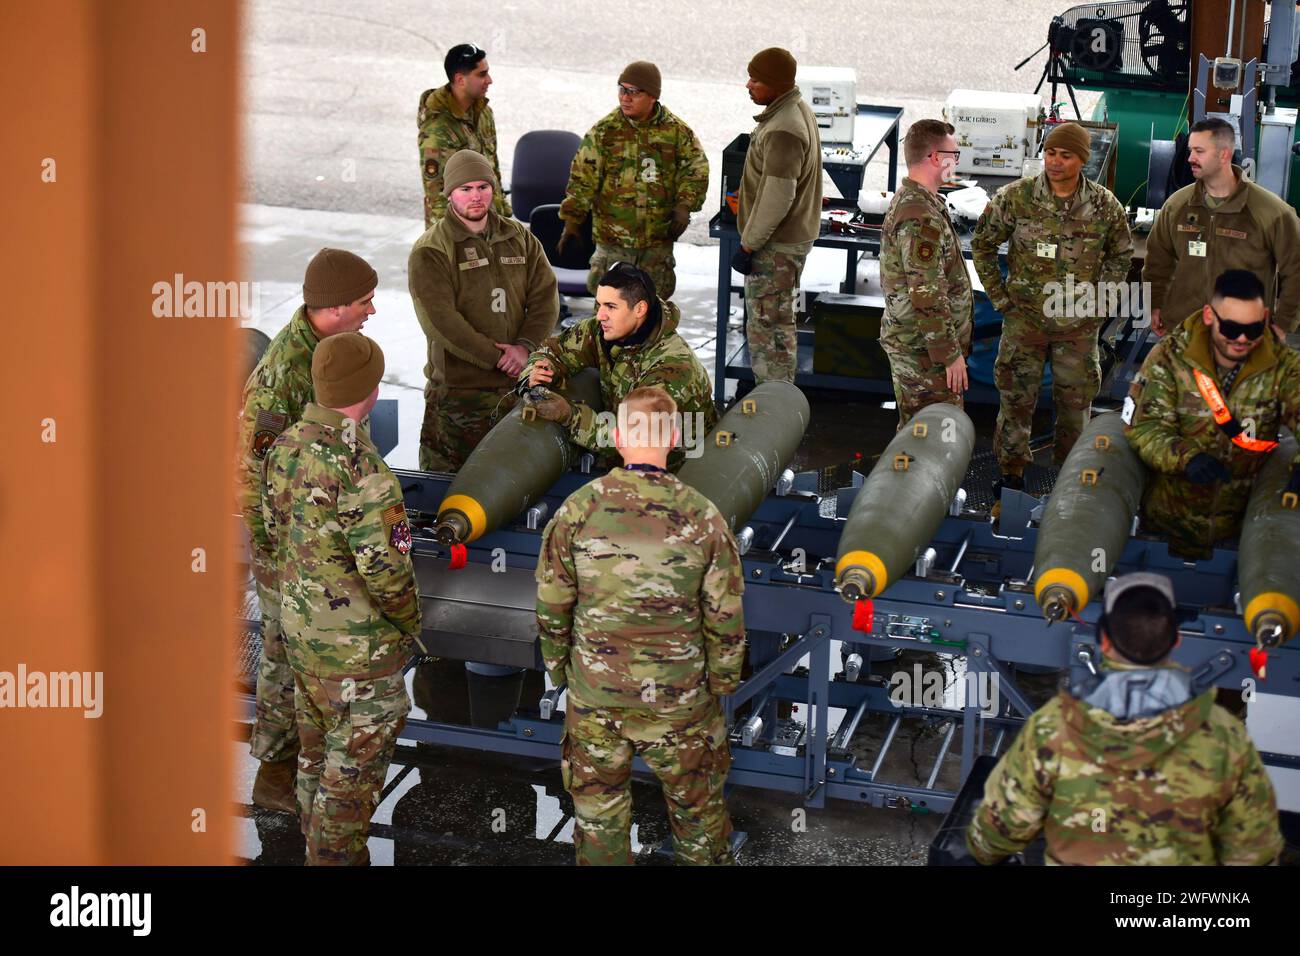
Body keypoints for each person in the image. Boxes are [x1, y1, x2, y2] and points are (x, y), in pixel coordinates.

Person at [535, 386, 746, 865]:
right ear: (673, 436)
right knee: (698, 818)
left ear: (616, 434)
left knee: (599, 821)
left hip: (597, 697)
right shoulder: (701, 517)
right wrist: (721, 684)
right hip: (681, 702)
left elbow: (551, 606)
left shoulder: (578, 510)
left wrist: (561, 672)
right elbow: (725, 615)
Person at [967, 572, 1284, 866]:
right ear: (1176, 641)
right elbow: (1255, 849)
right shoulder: (1224, 736)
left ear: (1103, 641)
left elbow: (1000, 832)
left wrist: (982, 847)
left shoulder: (1053, 728)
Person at [259, 333, 423, 865]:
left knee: (315, 758)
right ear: (369, 389)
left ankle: (315, 849)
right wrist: (409, 627)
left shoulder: (284, 447)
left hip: (302, 639)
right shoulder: (363, 472)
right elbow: (388, 576)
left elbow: (271, 531)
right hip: (359, 656)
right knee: (349, 785)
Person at [237, 248, 378, 813]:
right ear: (336, 308)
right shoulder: (280, 379)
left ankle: (310, 769)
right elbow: (251, 476)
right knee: (283, 650)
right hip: (286, 544)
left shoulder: (329, 350)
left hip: (315, 533)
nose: (371, 310)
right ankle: (274, 776)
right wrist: (282, 554)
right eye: (364, 302)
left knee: (311, 650)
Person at [972, 121, 1133, 491]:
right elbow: (981, 244)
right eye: (1050, 153)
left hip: (1078, 326)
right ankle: (1010, 475)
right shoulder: (1017, 198)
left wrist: (1099, 303)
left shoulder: (1104, 206)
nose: (1055, 162)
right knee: (1016, 401)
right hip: (1024, 321)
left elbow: (1120, 256)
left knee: (1075, 407)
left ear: (1082, 160)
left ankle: (1068, 479)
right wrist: (1000, 298)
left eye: (1065, 155)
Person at [1125, 268, 1300, 559]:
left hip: (1245, 536)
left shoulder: (1284, 366)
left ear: (1266, 319)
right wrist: (1186, 457)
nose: (1242, 338)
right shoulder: (1170, 358)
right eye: (1231, 329)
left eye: (1254, 329)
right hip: (1165, 530)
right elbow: (1142, 427)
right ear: (1209, 316)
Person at [409, 149, 559, 471]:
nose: (476, 197)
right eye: (466, 189)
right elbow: (441, 321)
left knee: (510, 478)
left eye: (483, 187)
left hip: (516, 390)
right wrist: (500, 358)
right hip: (458, 396)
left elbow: (546, 297)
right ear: (450, 193)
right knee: (446, 488)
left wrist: (526, 348)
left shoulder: (519, 237)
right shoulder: (432, 249)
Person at [519, 262, 716, 468]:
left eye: (611, 306)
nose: (600, 315)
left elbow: (638, 439)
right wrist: (536, 374)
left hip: (677, 470)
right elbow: (552, 351)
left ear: (640, 309)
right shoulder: (603, 329)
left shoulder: (671, 369)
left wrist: (570, 416)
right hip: (626, 459)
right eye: (599, 304)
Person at [557, 61, 709, 299]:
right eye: (621, 89)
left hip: (656, 244)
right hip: (614, 245)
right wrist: (572, 220)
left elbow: (696, 169)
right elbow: (582, 179)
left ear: (652, 96)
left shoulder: (676, 132)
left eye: (633, 92)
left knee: (653, 314)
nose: (625, 97)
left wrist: (684, 206)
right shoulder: (604, 132)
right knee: (610, 317)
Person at [1143, 117, 1300, 336]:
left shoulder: (1272, 212)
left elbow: (1296, 271)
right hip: (1184, 331)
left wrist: (1282, 325)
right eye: (1190, 150)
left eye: (1199, 151)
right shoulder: (1177, 206)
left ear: (1224, 154)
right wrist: (1156, 304)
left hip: (1242, 337)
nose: (1190, 158)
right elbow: (1157, 261)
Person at [730, 47, 823, 384]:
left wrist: (749, 245)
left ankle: (772, 402)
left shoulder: (783, 129)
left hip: (775, 247)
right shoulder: (793, 110)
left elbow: (777, 197)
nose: (748, 85)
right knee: (778, 321)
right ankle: (778, 398)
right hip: (785, 244)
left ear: (775, 84)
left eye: (756, 80)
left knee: (768, 329)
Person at [879, 118, 973, 427]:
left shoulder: (921, 203)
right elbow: (925, 293)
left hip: (924, 349)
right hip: (926, 356)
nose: (955, 162)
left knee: (921, 435)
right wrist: (948, 355)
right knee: (931, 439)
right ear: (935, 158)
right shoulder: (919, 217)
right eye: (953, 155)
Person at [418, 42, 511, 227]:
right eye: (482, 74)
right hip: (460, 233)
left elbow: (492, 169)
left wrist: (502, 214)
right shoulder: (438, 128)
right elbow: (437, 195)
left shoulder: (483, 112)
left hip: (491, 223)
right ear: (460, 80)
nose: (489, 80)